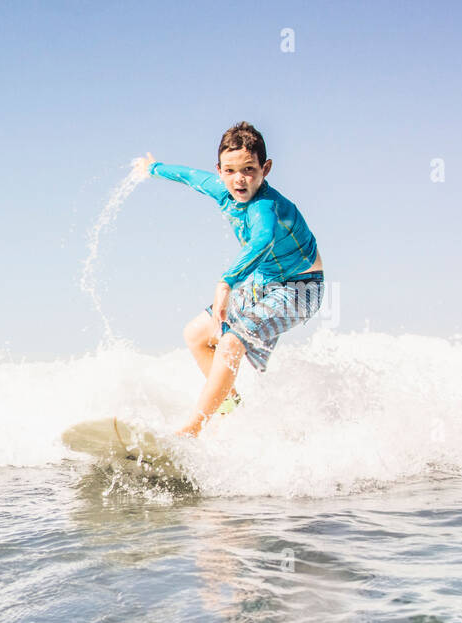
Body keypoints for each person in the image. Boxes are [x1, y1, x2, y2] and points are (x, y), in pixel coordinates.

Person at [133, 122, 325, 436]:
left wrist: (226, 283)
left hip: (301, 287)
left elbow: (261, 241)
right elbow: (190, 177)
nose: (240, 178)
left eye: (249, 169)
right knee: (196, 335)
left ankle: (191, 432)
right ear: (220, 171)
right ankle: (231, 408)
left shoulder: (265, 207)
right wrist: (153, 168)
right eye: (231, 170)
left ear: (266, 169)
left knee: (232, 342)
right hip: (264, 280)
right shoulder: (222, 189)